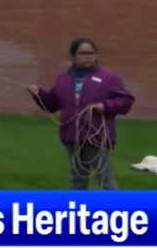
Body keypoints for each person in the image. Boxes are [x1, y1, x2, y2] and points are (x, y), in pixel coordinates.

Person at [28, 38, 135, 190]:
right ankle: (77, 205)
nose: (88, 57)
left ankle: (114, 205)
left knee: (104, 178)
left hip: (97, 136)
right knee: (77, 178)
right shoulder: (63, 79)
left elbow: (125, 100)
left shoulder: (108, 77)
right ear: (73, 56)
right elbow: (51, 105)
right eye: (83, 53)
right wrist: (38, 94)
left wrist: (104, 106)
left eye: (91, 53)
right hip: (72, 135)